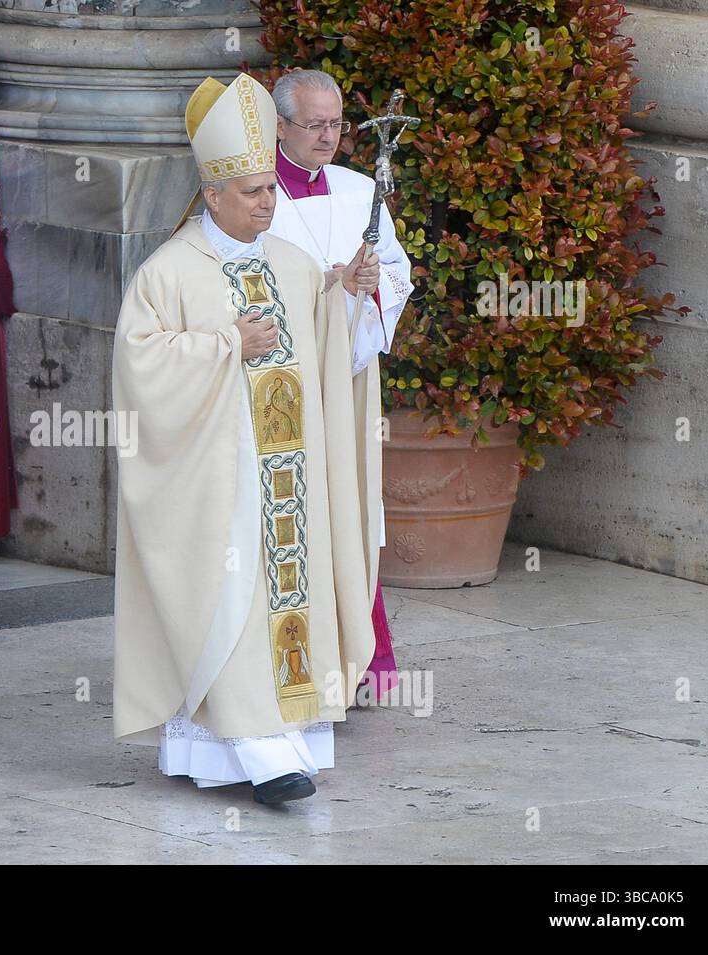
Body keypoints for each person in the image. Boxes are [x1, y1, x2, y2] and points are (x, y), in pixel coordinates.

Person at [112, 74, 382, 805]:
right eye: (256, 191)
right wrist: (225, 343)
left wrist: (346, 293)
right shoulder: (166, 274)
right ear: (212, 195)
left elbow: (329, 348)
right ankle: (251, 752)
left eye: (271, 189)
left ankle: (279, 742)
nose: (270, 202)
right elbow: (140, 368)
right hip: (215, 491)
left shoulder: (292, 264)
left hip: (286, 491)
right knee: (228, 603)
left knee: (285, 607)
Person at [268, 69, 414, 696]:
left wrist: (368, 286)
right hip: (281, 384)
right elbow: (246, 283)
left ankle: (363, 660)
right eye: (315, 125)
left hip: (348, 381)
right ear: (279, 127)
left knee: (350, 512)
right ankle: (297, 663)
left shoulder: (360, 192)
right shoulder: (255, 196)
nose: (329, 137)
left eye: (336, 124)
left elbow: (400, 275)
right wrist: (328, 287)